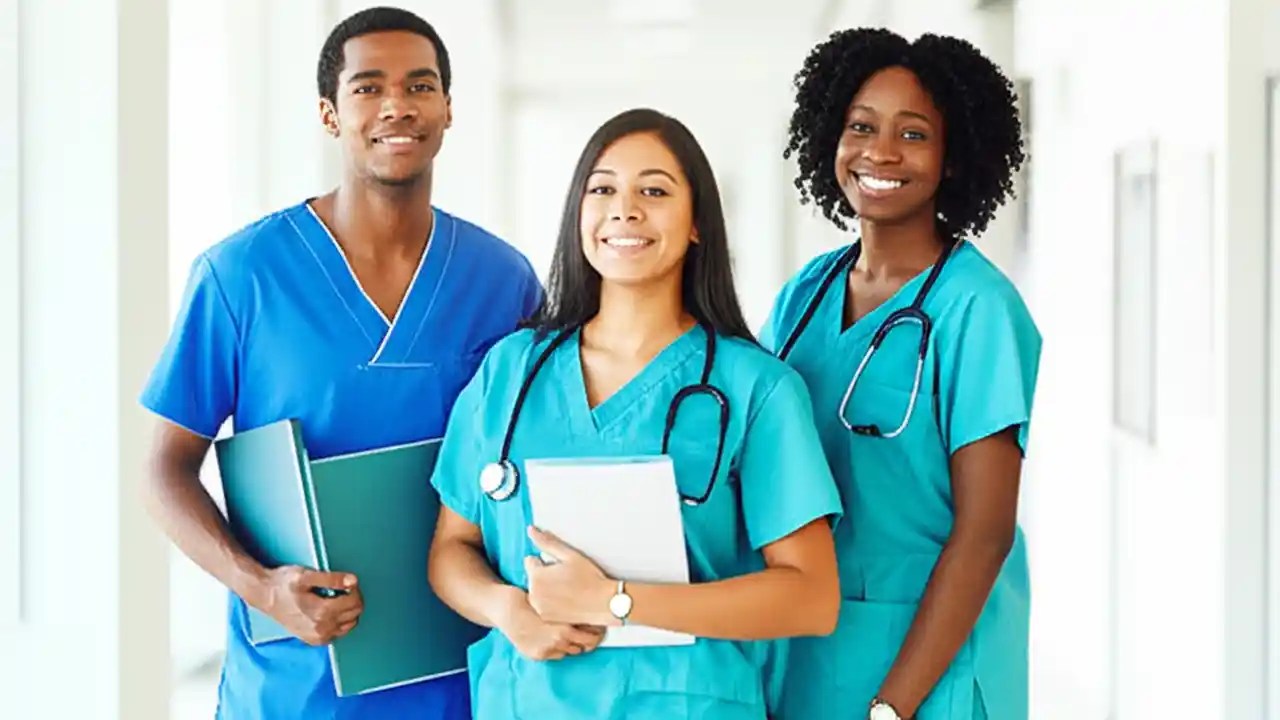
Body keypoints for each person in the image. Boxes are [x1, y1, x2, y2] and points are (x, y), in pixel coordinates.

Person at [139, 7, 540, 719]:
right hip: (294, 687)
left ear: (448, 110)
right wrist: (262, 588)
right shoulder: (241, 277)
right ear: (329, 114)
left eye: (420, 86)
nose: (397, 106)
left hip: (464, 681)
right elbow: (163, 470)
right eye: (368, 87)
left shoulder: (503, 281)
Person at [426, 108, 842, 719]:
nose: (625, 209)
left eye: (654, 190)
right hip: (527, 700)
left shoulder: (757, 388)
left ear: (697, 223)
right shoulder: (511, 372)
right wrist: (504, 609)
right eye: (603, 188)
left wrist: (616, 601)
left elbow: (810, 596)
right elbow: (450, 549)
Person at [761, 28, 1042, 720]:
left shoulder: (978, 308)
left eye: (913, 135)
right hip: (813, 651)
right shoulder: (805, 295)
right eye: (860, 126)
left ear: (954, 158)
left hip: (930, 670)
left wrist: (894, 706)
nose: (880, 153)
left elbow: (985, 532)